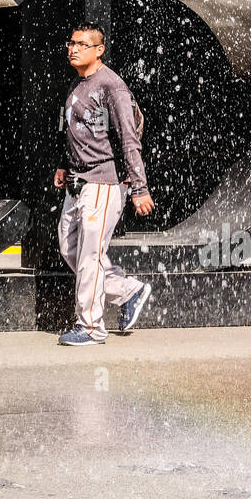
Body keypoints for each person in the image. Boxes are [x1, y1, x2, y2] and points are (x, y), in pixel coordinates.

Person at [53, 22, 154, 346]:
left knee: (88, 258)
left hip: (103, 184)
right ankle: (127, 291)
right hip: (76, 181)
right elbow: (72, 130)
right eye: (71, 42)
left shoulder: (112, 86)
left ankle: (92, 328)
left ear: (99, 50)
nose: (74, 49)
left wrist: (138, 188)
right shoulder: (77, 83)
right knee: (71, 250)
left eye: (82, 44)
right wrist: (62, 165)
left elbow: (128, 139)